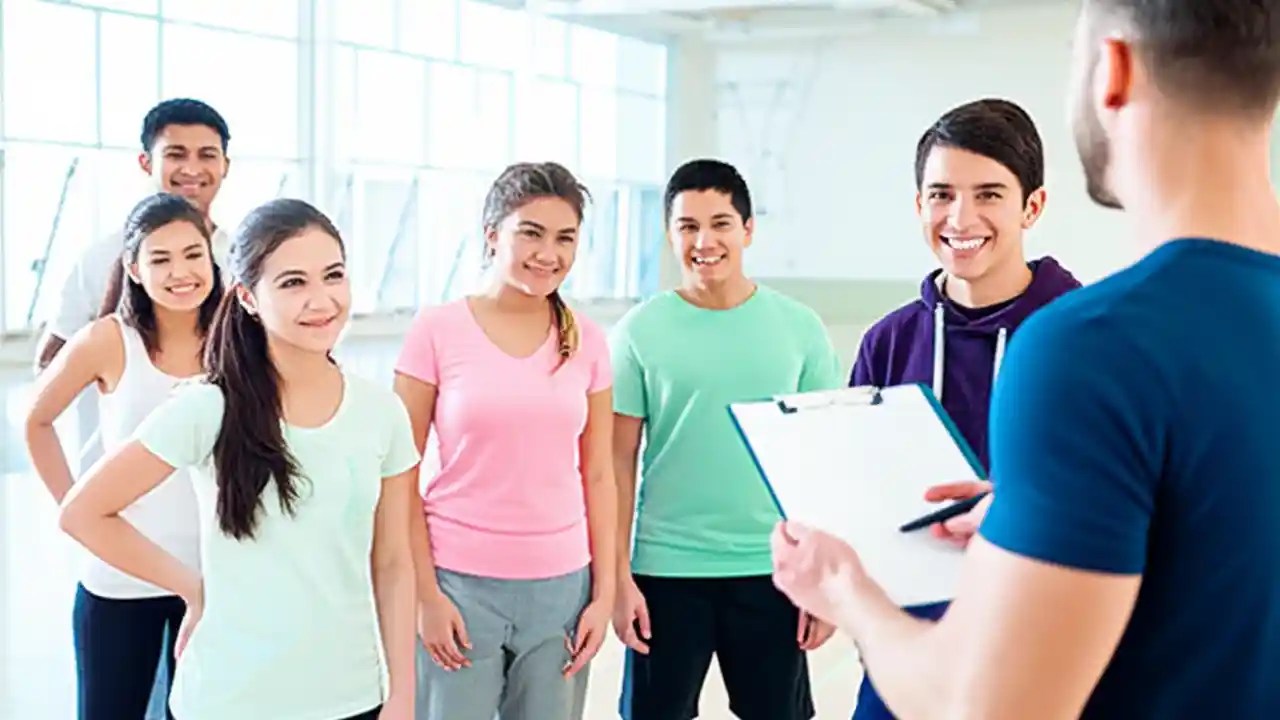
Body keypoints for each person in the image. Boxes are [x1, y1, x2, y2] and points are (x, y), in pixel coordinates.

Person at [771, 1, 1280, 718]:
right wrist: (1046, 512)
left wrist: (840, 588)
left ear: (1113, 67)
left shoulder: (1090, 346)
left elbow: (984, 709)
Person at [59, 198, 418, 720]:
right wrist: (191, 588)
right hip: (228, 699)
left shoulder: (382, 412)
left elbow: (393, 562)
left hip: (351, 695)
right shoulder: (208, 406)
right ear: (248, 297)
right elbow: (82, 512)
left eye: (333, 275)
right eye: (293, 282)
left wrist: (402, 694)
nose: (321, 300)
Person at [846, 98, 1080, 718]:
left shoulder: (1085, 338)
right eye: (942, 193)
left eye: (989, 194)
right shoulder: (888, 341)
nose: (961, 216)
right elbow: (859, 485)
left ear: (1033, 206)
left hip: (1044, 643)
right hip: (910, 639)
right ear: (919, 204)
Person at [611, 158, 842, 720]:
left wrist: (825, 581)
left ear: (747, 230)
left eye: (719, 223)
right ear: (670, 236)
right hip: (665, 571)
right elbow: (616, 462)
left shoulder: (799, 328)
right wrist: (617, 577)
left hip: (773, 572)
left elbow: (825, 457)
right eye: (687, 226)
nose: (703, 240)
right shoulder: (639, 332)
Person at [394, 162, 615, 720]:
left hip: (563, 587)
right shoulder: (436, 330)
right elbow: (398, 475)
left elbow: (599, 474)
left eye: (565, 238)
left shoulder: (587, 340)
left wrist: (604, 590)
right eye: (531, 233)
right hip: (459, 587)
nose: (549, 253)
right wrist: (425, 596)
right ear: (493, 235)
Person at [23, 193, 222, 719]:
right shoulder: (109, 340)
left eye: (193, 254)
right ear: (134, 268)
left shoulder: (237, 338)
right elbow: (35, 421)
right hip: (120, 577)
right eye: (160, 259)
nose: (181, 271)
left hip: (215, 578)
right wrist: (76, 504)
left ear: (212, 257)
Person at [34, 97, 232, 487]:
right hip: (116, 489)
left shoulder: (242, 254)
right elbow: (49, 367)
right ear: (147, 163)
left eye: (207, 155)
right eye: (176, 154)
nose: (192, 169)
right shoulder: (100, 258)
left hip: (216, 489)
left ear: (225, 165)